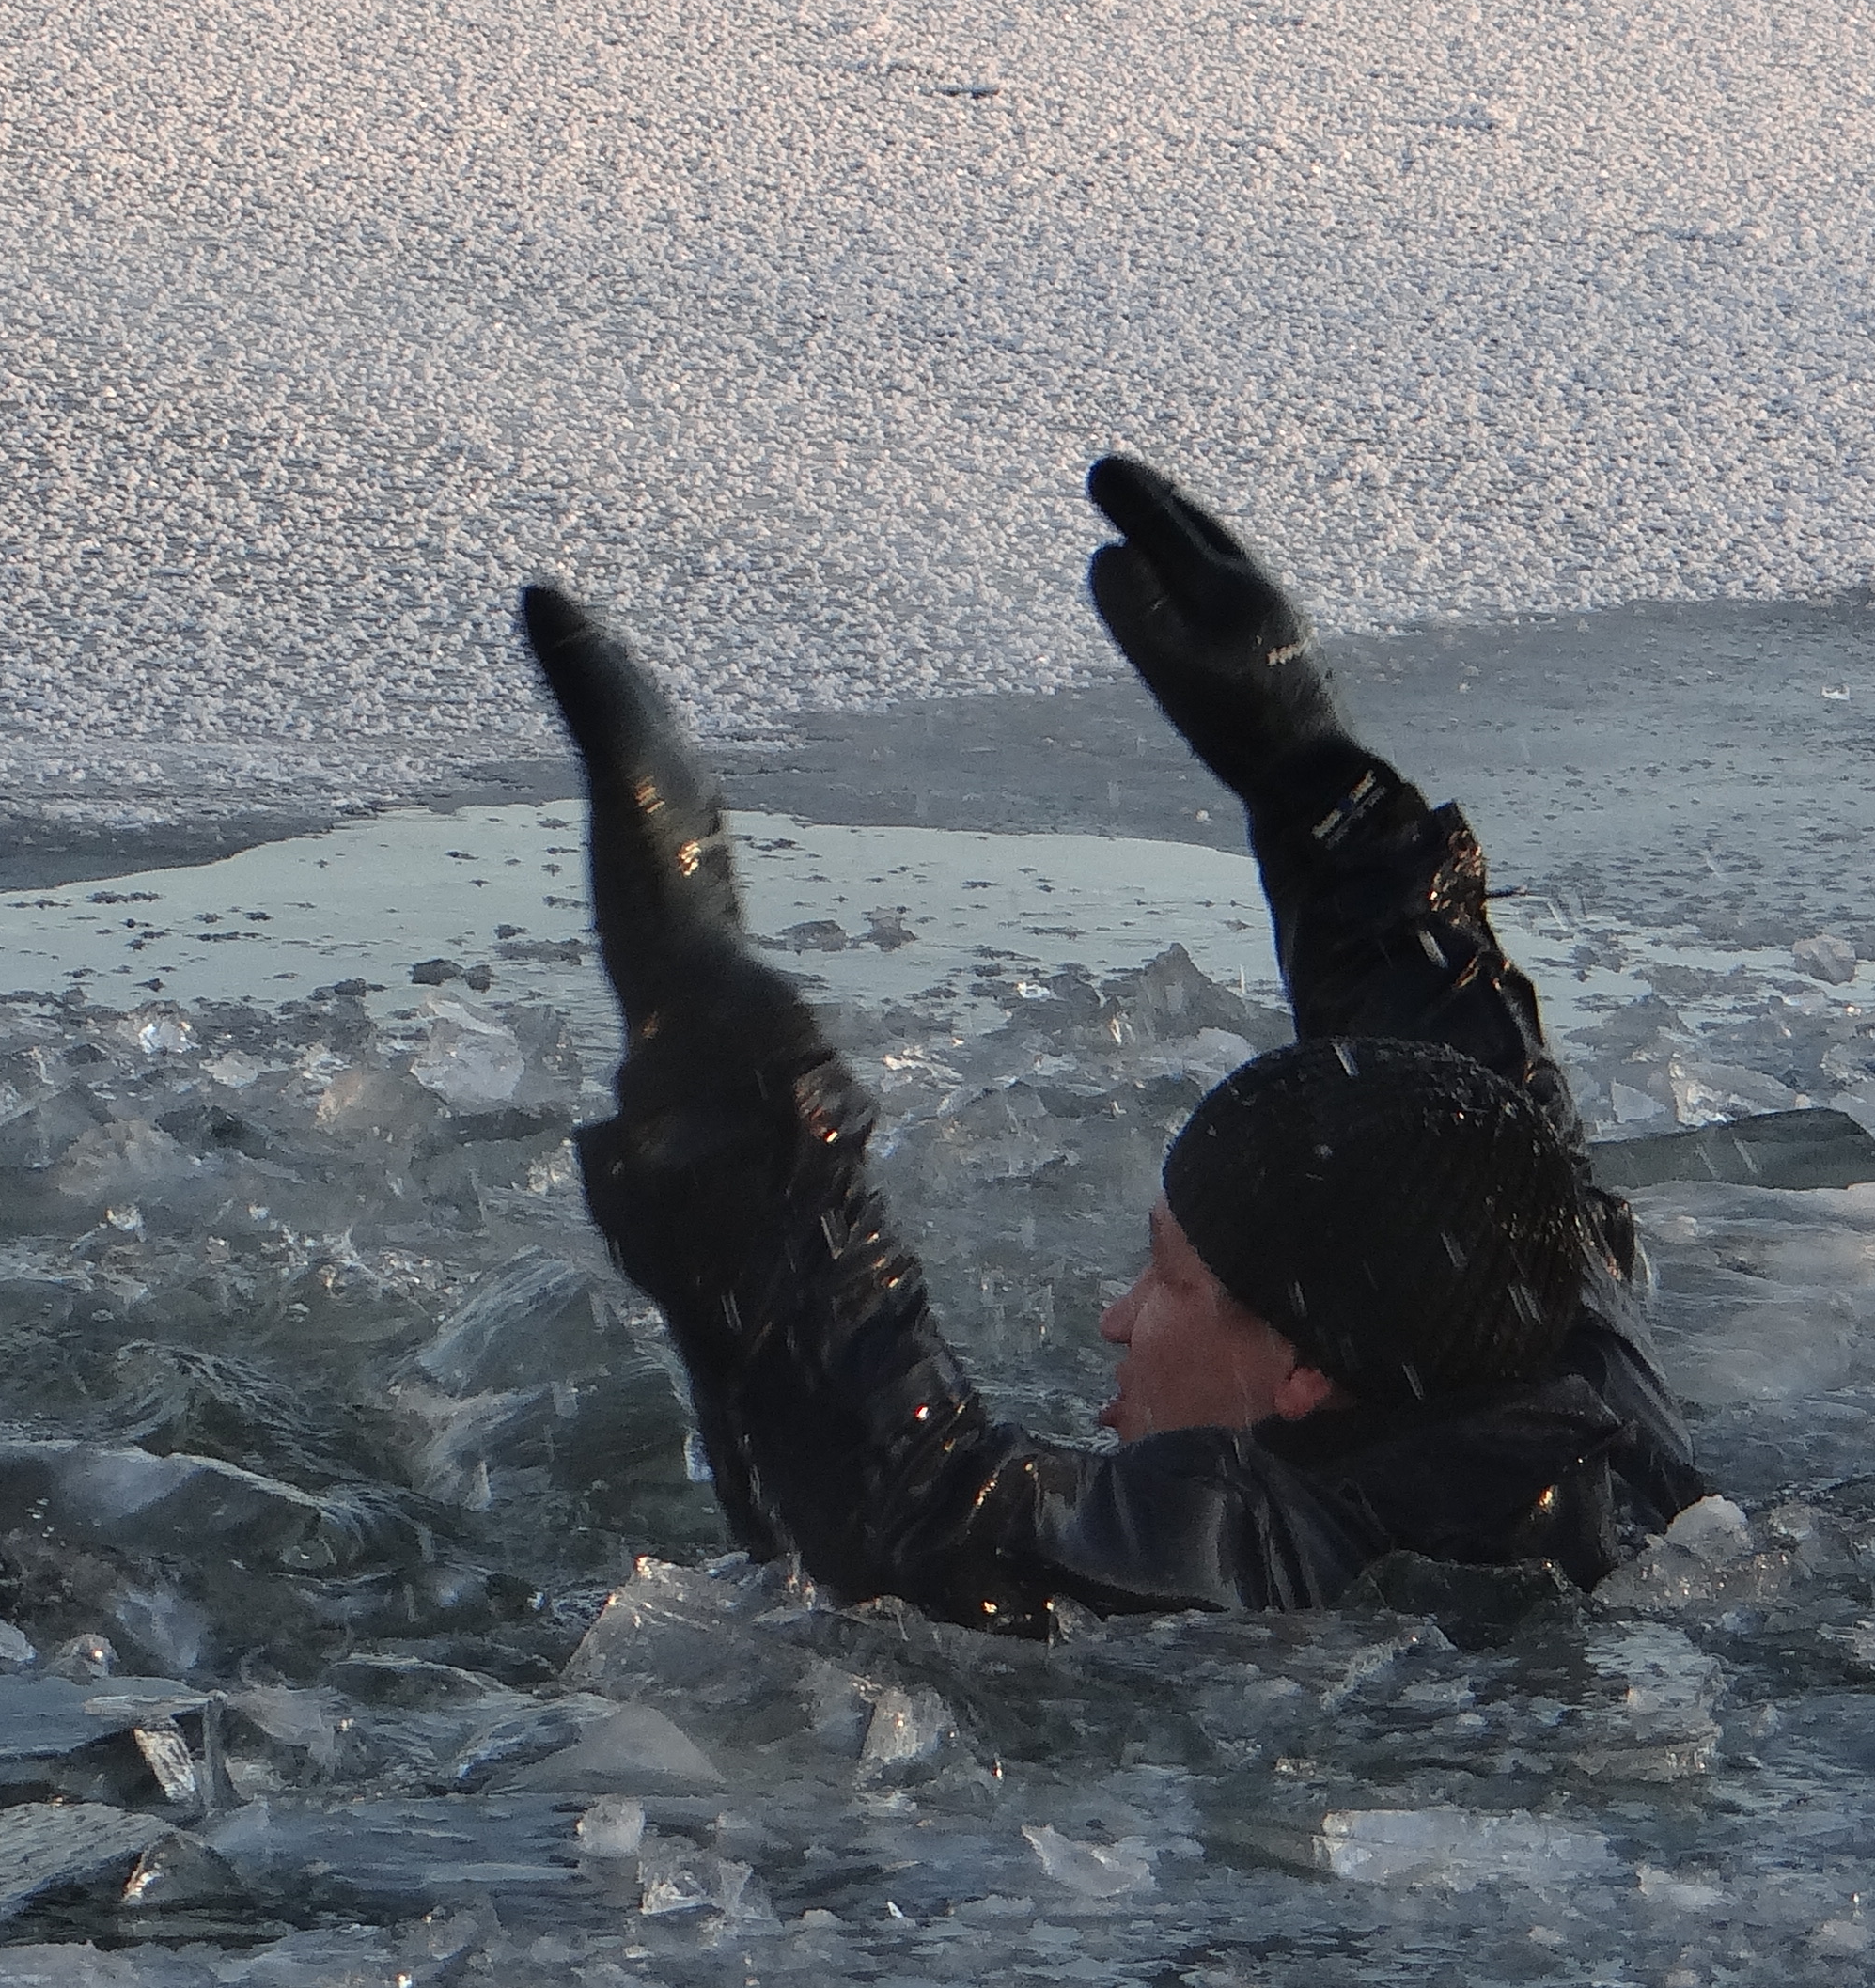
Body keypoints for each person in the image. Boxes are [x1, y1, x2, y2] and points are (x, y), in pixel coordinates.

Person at [518, 454, 1706, 1630]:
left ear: (1305, 1376)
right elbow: (1485, 1137)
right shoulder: (1568, 1377)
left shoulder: (1298, 1553)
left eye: (1173, 1279)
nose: (1117, 1317)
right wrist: (1313, 779)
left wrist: (704, 1031)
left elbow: (926, 1523)